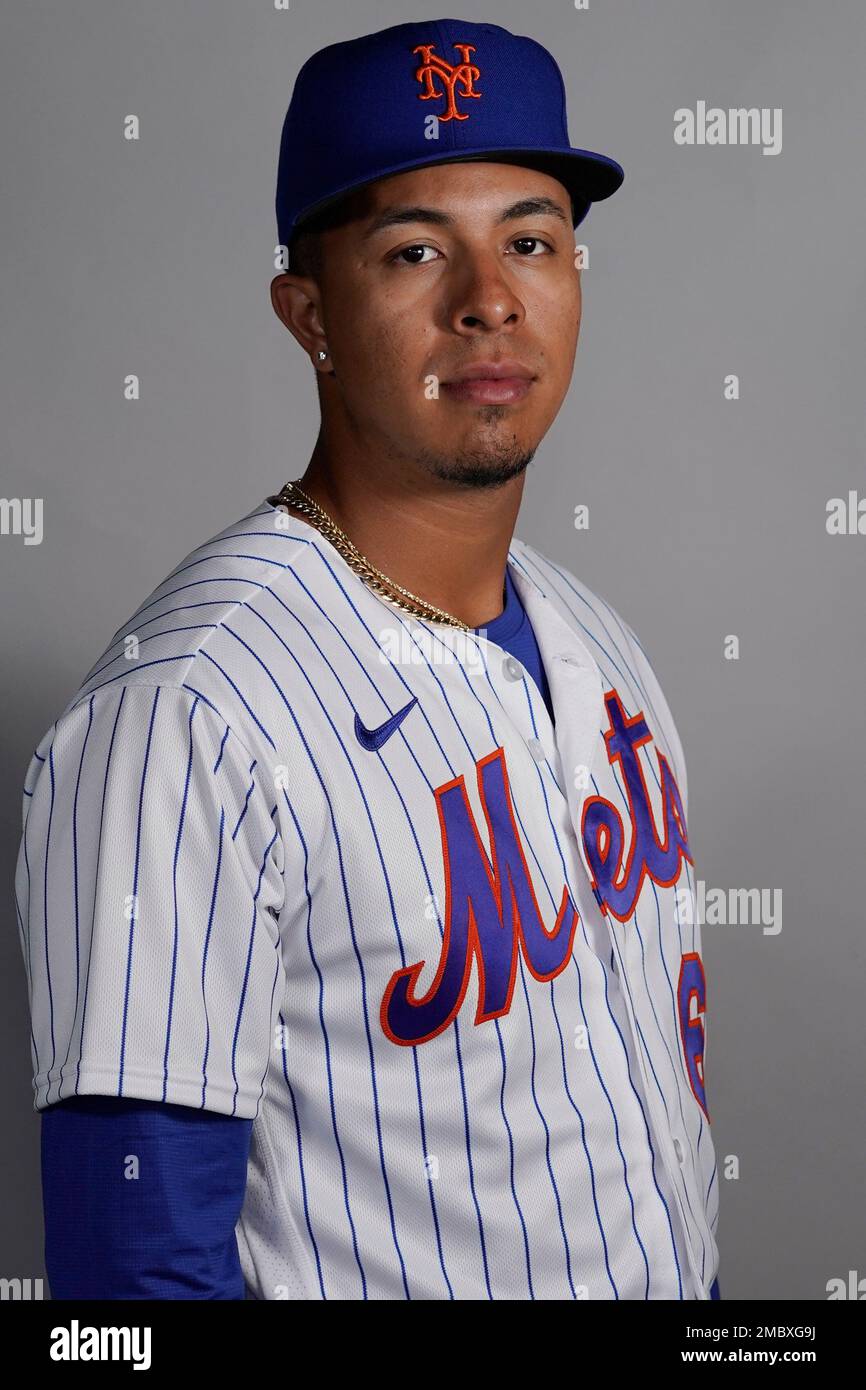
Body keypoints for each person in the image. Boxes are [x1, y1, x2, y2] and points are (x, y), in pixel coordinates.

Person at [16, 17, 721, 1300]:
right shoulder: (184, 716)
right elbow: (130, 1287)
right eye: (413, 250)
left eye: (529, 238)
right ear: (309, 314)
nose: (488, 298)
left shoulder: (596, 638)